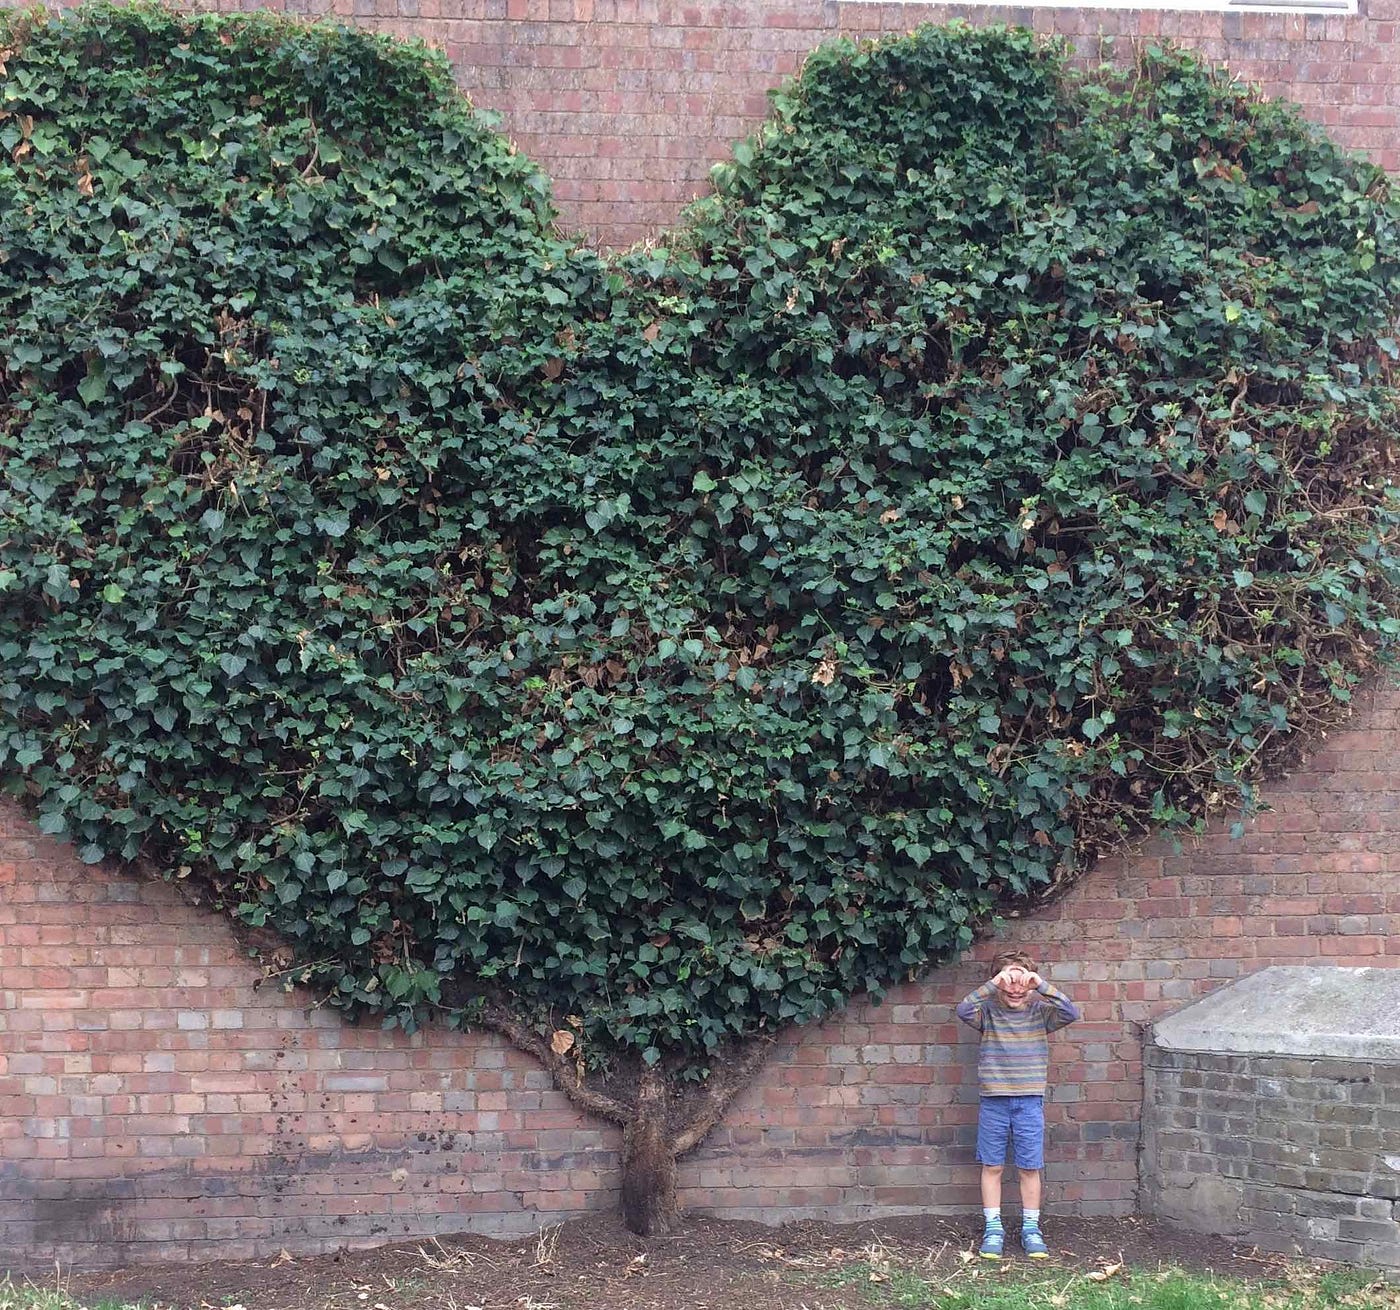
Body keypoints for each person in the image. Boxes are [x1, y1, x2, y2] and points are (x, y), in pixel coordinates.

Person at [955, 948, 1081, 1260]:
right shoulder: (987, 1014)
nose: (1014, 987)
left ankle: (1030, 1227)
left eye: (1020, 981)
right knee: (993, 1165)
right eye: (1008, 981)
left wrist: (1040, 985)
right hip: (994, 1102)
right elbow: (963, 1009)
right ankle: (993, 1227)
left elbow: (1070, 1012)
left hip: (1029, 1102)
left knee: (1029, 1166)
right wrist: (994, 982)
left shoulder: (1041, 1014)